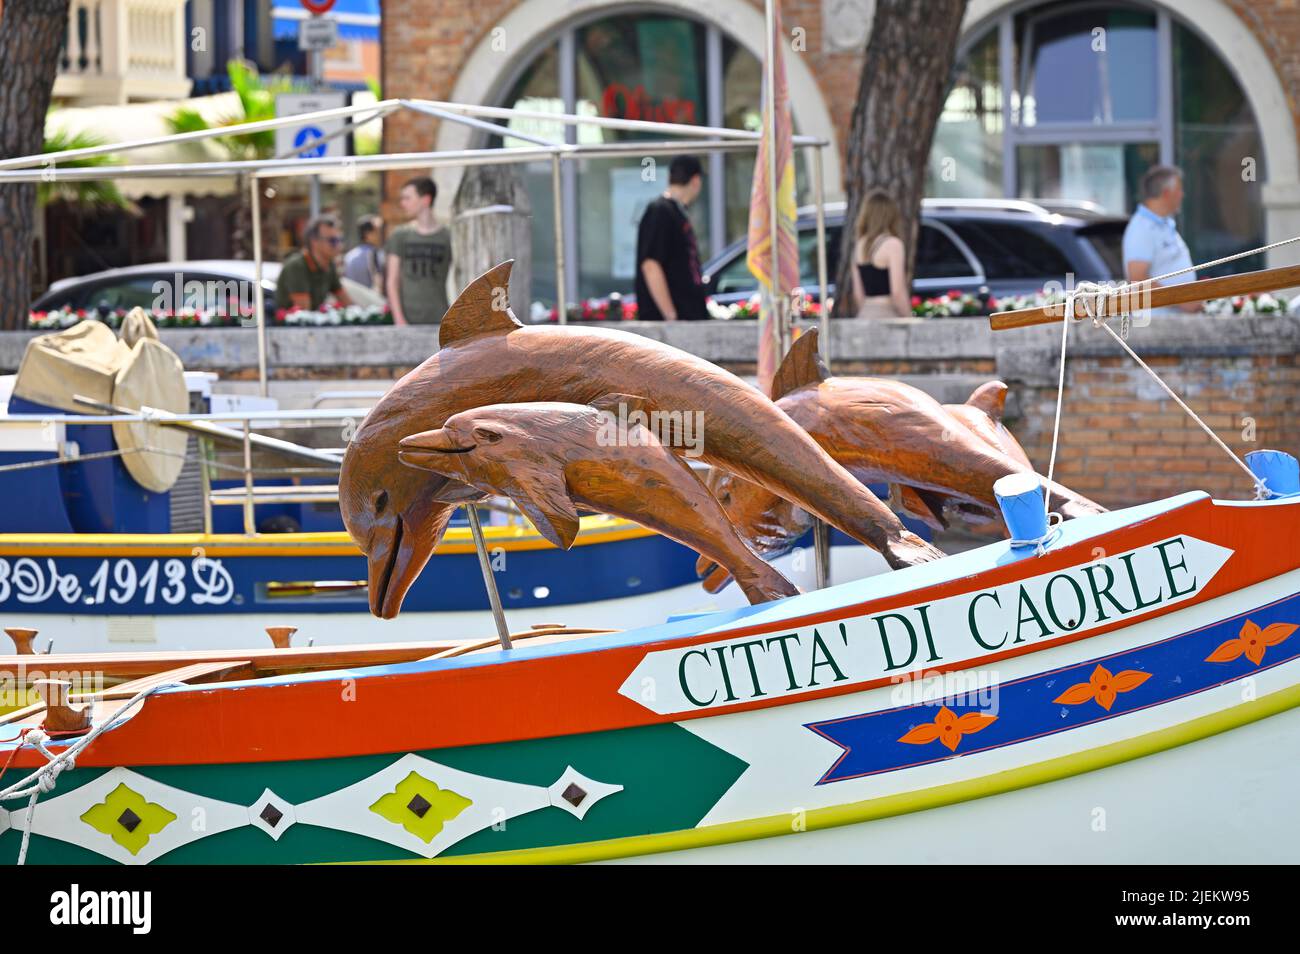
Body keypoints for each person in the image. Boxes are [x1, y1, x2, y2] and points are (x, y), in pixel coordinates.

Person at [634, 155, 708, 321]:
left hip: (685, 321)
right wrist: (671, 315)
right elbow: (651, 265)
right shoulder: (660, 211)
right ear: (696, 181)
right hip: (670, 325)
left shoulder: (675, 211)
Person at [1123, 164, 1201, 314]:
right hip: (1157, 327)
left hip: (1173, 323)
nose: (1182, 195)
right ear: (1166, 193)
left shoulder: (1163, 224)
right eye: (1179, 190)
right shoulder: (1141, 228)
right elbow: (1137, 280)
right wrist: (1182, 300)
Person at [385, 176, 453, 325]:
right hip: (407, 320)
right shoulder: (400, 235)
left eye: (407, 198)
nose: (403, 203)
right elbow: (392, 281)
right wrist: (399, 319)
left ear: (425, 200)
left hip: (440, 318)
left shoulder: (448, 236)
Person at [850, 189, 910, 318]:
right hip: (887, 314)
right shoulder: (893, 244)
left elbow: (858, 294)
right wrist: (909, 318)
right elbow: (897, 292)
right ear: (891, 214)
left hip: (864, 315)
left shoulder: (859, 244)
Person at [277, 214, 351, 312]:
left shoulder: (329, 265)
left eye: (339, 240)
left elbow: (348, 303)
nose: (338, 245)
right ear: (314, 241)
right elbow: (304, 312)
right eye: (332, 241)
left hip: (310, 325)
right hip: (288, 327)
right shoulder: (297, 266)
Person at [343, 215, 385, 293]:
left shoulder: (349, 256)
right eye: (377, 230)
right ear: (368, 234)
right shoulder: (376, 254)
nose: (381, 234)